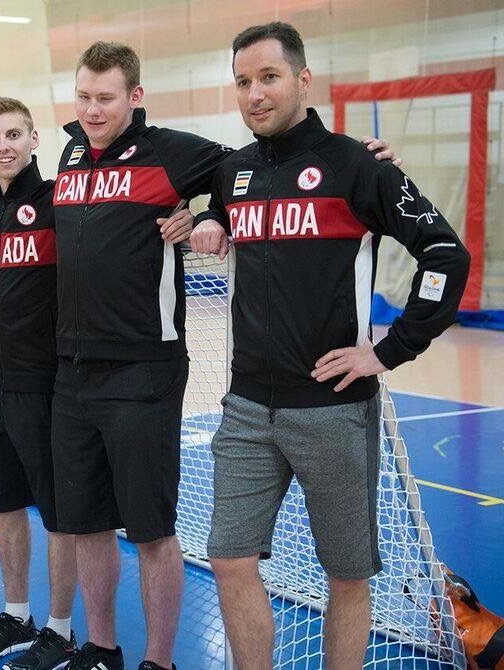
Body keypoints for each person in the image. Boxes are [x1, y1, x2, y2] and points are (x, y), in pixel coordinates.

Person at [51, 41, 400, 670]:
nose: (93, 109)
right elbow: (240, 181)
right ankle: (100, 648)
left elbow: (254, 169)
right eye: (84, 97)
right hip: (79, 371)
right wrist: (208, 213)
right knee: (90, 526)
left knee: (156, 532)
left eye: (106, 97)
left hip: (149, 371)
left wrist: (362, 165)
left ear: (135, 96)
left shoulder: (175, 151)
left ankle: (159, 661)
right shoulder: (72, 151)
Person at [190, 22, 470, 670]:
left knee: (346, 576)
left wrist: (388, 350)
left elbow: (446, 255)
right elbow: (215, 205)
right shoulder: (232, 174)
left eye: (268, 77)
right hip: (246, 409)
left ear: (303, 79)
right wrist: (208, 217)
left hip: (334, 408)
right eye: (242, 82)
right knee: (230, 560)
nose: (254, 93)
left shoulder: (357, 165)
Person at [0, 97, 78, 670]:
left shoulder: (59, 199)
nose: (4, 145)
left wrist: (192, 216)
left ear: (35, 139)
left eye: (14, 134)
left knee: (56, 511)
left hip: (44, 382)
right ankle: (17, 612)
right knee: (5, 503)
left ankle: (59, 628)